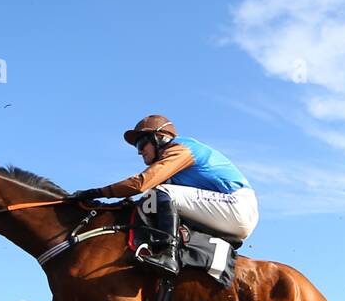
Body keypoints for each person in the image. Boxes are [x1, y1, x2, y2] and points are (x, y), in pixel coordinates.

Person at [72, 115, 258, 275]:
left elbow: (141, 183)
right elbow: (149, 200)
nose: (139, 151)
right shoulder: (174, 167)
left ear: (160, 138)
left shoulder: (181, 149)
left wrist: (98, 192)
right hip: (226, 210)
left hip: (237, 206)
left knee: (160, 192)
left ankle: (168, 255)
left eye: (141, 143)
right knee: (153, 199)